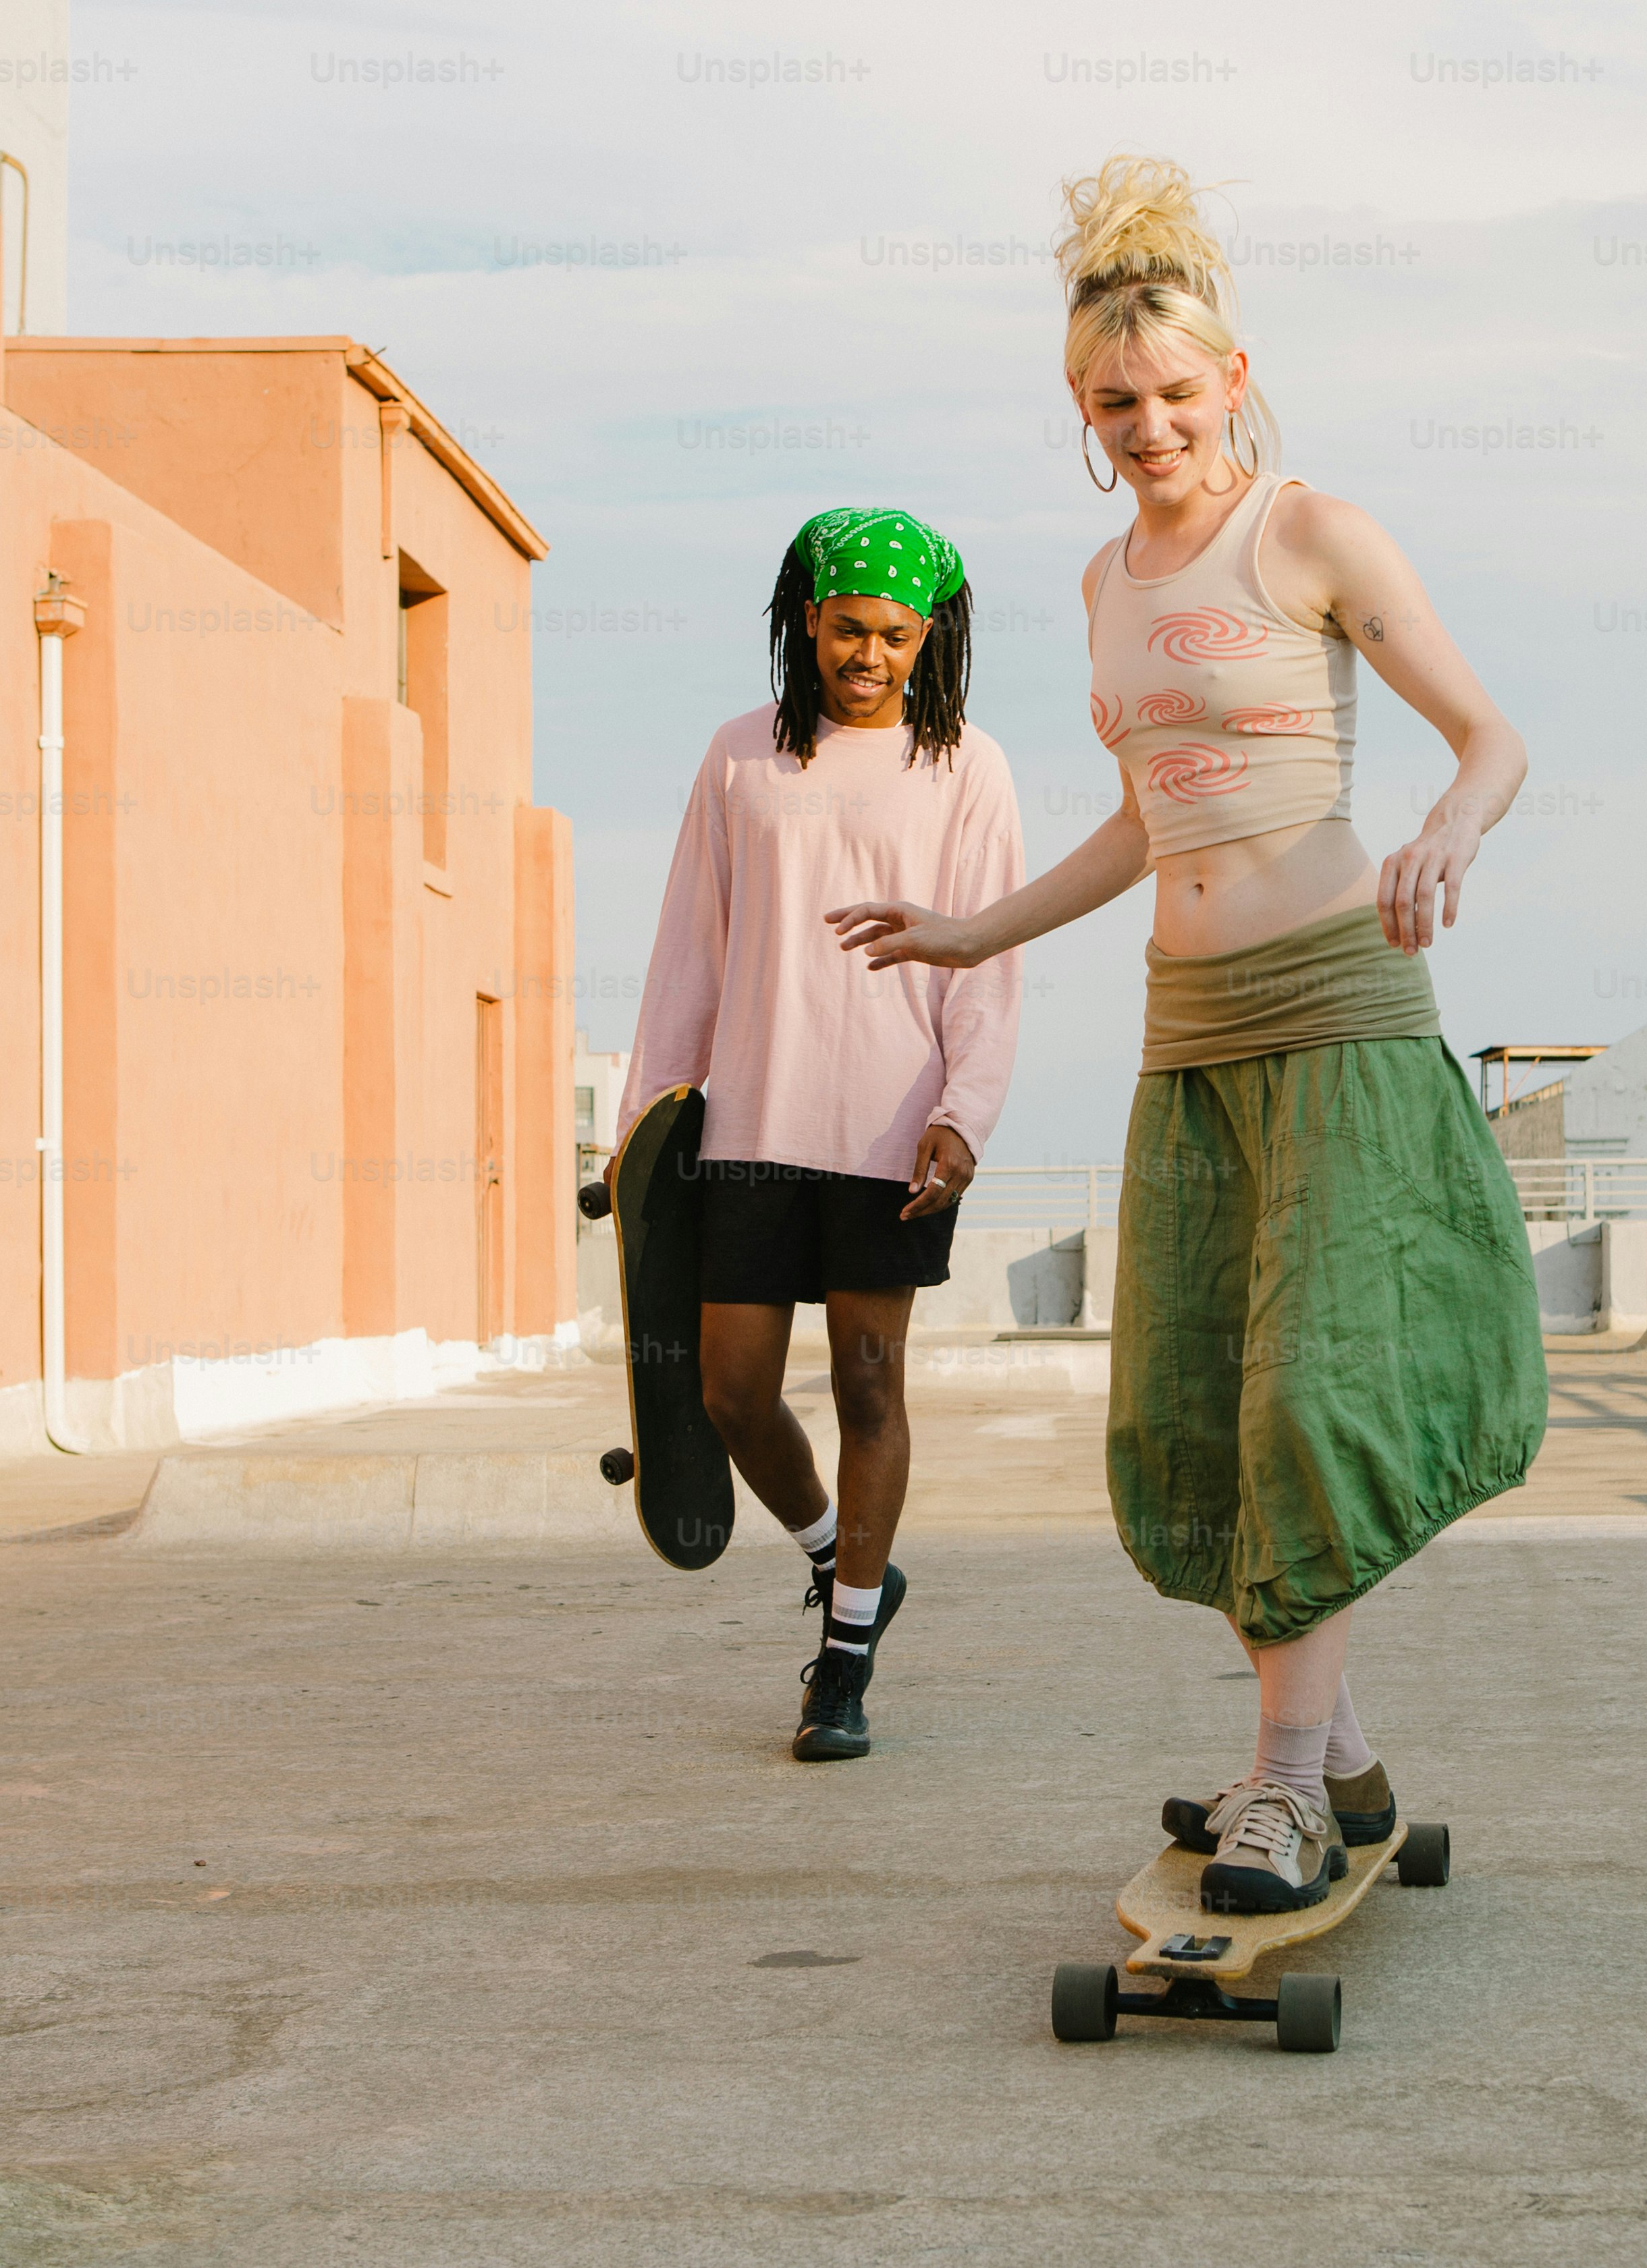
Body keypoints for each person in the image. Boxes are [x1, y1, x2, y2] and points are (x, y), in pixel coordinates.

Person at [834, 156, 1546, 1910]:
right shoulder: (1104, 584)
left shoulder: (1304, 533)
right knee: (1215, 1415)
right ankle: (1339, 1764)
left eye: (1170, 392)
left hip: (1338, 1012)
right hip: (1191, 1026)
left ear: (1229, 379)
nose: (1146, 425)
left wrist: (1445, 831)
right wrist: (968, 925)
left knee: (1317, 1397)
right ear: (1079, 410)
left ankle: (1282, 1785)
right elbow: (1145, 821)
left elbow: (1487, 736)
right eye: (1110, 403)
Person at [615, 509, 1024, 1761]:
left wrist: (965, 1115)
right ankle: (845, 1566)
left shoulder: (969, 769)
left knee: (867, 1384)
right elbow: (694, 937)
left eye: (895, 636)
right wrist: (650, 1114)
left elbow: (988, 957)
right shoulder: (741, 759)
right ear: (807, 620)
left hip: (895, 1129)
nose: (869, 656)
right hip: (754, 1115)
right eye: (848, 629)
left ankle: (841, 1662)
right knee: (732, 1389)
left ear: (930, 637)